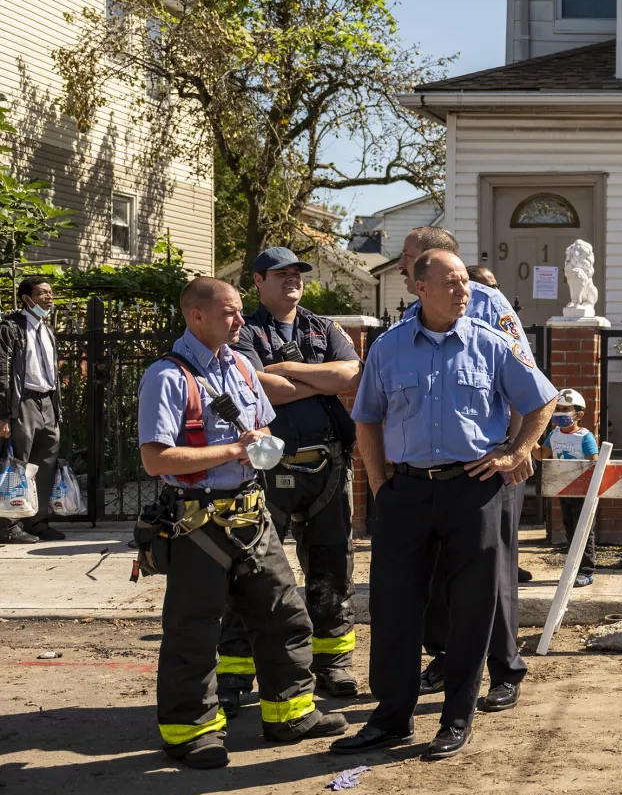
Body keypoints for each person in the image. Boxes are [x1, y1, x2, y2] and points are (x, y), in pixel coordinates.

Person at [332, 249, 556, 760]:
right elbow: (366, 418)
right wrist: (381, 485)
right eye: (451, 282)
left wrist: (516, 451)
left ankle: (456, 718)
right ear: (418, 286)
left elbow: (541, 398)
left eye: (465, 282)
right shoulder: (388, 349)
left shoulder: (493, 344)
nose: (463, 291)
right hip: (405, 492)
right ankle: (392, 719)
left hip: (471, 489)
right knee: (394, 605)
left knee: (473, 607)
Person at [137, 277, 347, 768]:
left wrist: (261, 445)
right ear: (197, 316)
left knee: (284, 616)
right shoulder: (167, 377)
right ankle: (191, 732)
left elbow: (263, 429)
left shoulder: (241, 368)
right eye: (229, 312)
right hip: (196, 521)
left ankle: (290, 713)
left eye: (238, 311)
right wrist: (236, 449)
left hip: (252, 515)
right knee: (194, 630)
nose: (239, 320)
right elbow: (156, 459)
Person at [215, 248, 362, 713]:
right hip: (266, 469)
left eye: (297, 274)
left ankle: (333, 666)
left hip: (329, 468)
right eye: (281, 274)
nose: (292, 281)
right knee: (251, 569)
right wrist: (317, 381)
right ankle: (237, 672)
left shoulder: (323, 328)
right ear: (257, 281)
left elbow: (351, 374)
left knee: (332, 569)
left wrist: (288, 371)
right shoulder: (245, 331)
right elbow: (257, 386)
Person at [400, 228, 536, 703]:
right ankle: (447, 656)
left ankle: (503, 669)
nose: (403, 266)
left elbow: (526, 380)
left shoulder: (487, 303)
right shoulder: (415, 309)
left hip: (487, 464)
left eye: (410, 257)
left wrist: (517, 450)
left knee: (491, 573)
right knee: (439, 572)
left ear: (437, 258)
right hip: (433, 474)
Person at [0, 277, 62, 542]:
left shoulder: (47, 331)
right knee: (18, 463)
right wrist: (3, 414)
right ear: (26, 299)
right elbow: (2, 371)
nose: (49, 298)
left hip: (47, 401)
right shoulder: (10, 328)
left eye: (50, 293)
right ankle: (8, 525)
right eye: (42, 294)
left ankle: (37, 522)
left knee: (46, 461)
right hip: (22, 401)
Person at [540, 388, 599, 587]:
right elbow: (541, 455)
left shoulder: (585, 437)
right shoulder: (554, 435)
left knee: (584, 531)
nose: (560, 412)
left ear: (578, 414)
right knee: (570, 529)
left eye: (566, 409)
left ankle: (587, 570)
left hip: (582, 493)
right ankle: (574, 568)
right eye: (557, 408)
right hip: (563, 490)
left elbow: (594, 464)